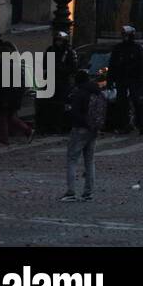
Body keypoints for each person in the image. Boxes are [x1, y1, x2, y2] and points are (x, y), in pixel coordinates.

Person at [61, 70, 106, 202]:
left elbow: (74, 111)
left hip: (80, 128)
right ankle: (88, 192)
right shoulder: (96, 90)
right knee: (90, 160)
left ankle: (71, 191)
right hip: (93, 128)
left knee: (72, 159)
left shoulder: (79, 93)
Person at [38, 30, 79, 136]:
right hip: (50, 80)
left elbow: (73, 68)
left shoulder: (69, 52)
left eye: (60, 40)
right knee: (48, 104)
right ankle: (47, 126)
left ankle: (58, 126)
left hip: (62, 82)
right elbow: (44, 64)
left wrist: (61, 69)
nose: (58, 42)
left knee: (60, 105)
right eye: (57, 40)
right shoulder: (50, 50)